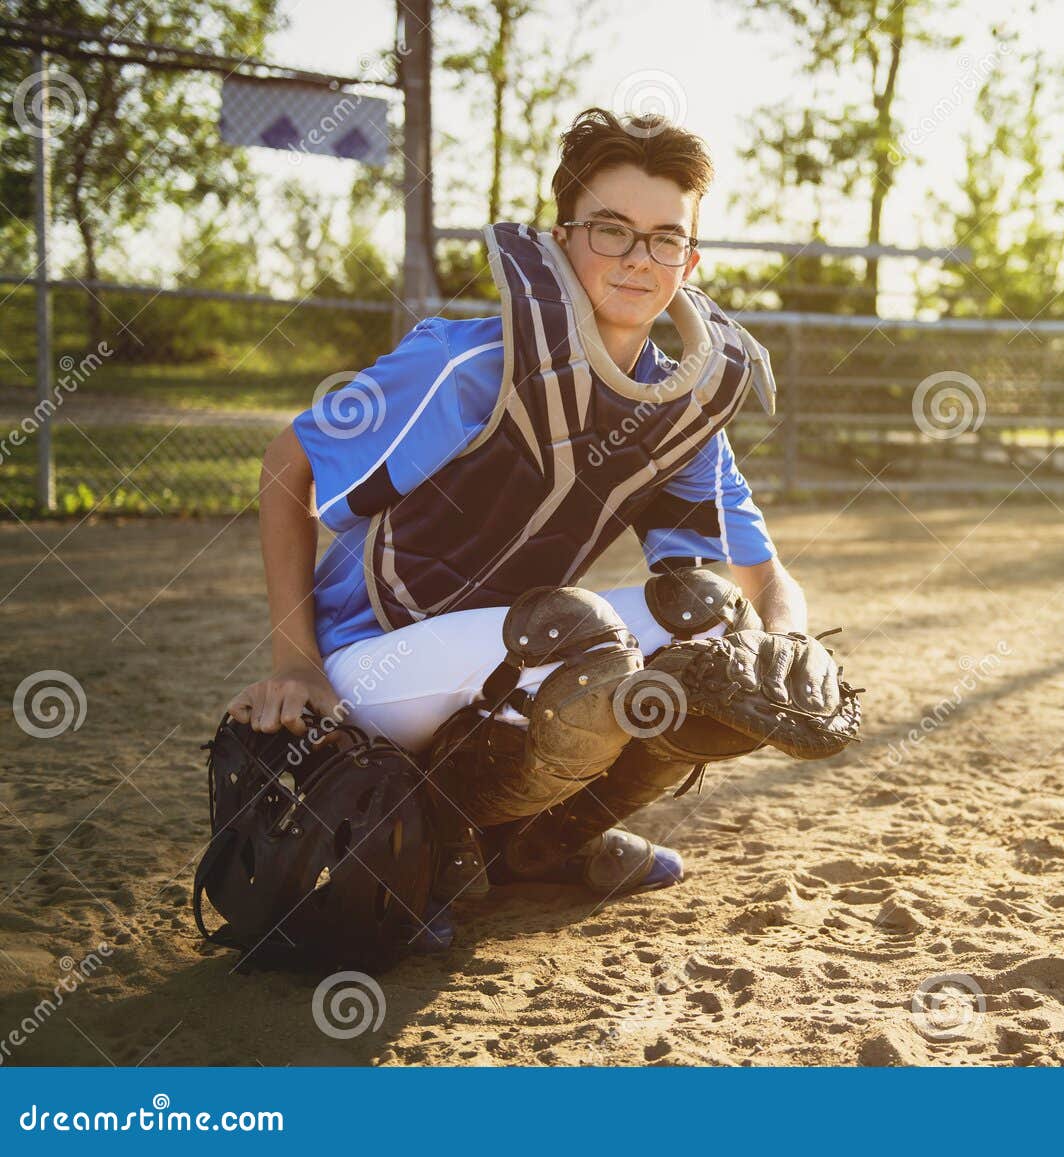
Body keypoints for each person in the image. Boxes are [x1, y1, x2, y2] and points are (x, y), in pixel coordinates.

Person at [223, 108, 841, 941]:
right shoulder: (472, 363)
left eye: (664, 239)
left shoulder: (679, 407)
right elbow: (284, 466)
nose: (637, 259)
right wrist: (297, 664)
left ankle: (542, 843)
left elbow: (758, 581)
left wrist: (790, 641)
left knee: (716, 630)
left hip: (515, 655)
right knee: (590, 644)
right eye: (612, 231)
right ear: (562, 239)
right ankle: (438, 840)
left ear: (689, 262)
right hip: (372, 664)